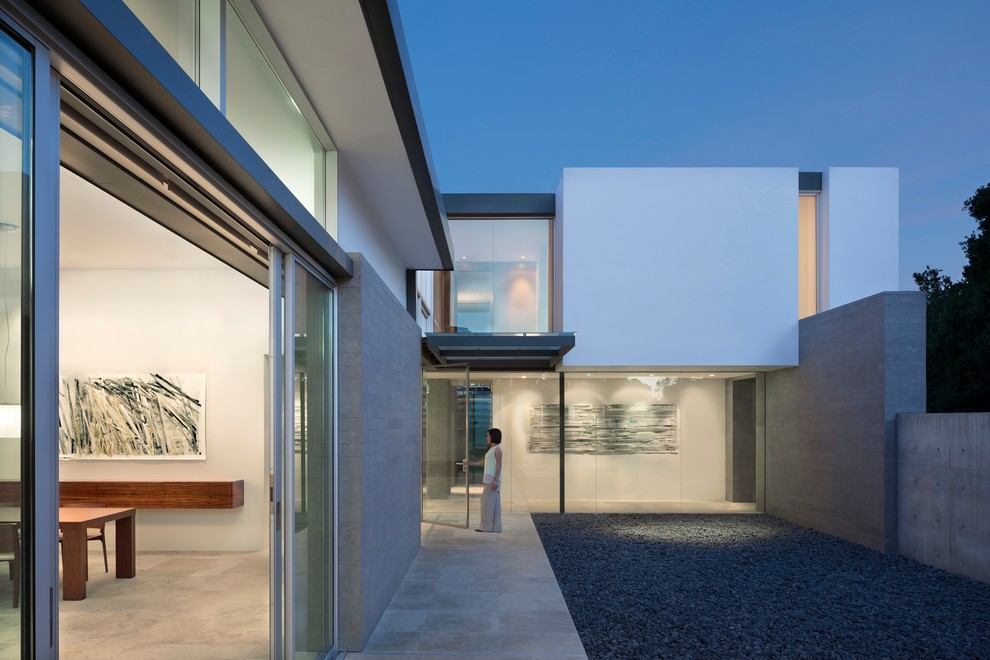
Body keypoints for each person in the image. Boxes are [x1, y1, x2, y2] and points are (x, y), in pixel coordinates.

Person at [475, 428, 503, 533]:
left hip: (492, 480)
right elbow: (485, 462)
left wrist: (495, 481)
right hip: (491, 479)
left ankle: (485, 527)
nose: (486, 438)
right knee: (495, 503)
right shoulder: (492, 449)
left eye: (488, 435)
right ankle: (497, 527)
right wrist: (472, 463)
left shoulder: (497, 449)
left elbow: (499, 465)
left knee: (486, 502)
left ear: (493, 436)